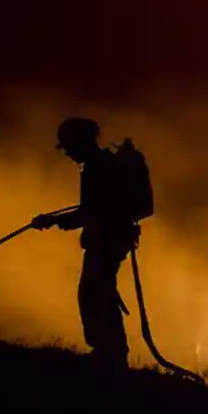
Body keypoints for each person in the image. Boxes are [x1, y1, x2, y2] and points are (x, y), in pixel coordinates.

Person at [30, 117, 151, 371]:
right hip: (112, 239)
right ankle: (110, 352)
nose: (69, 154)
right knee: (99, 291)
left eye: (69, 147)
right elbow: (92, 210)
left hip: (108, 240)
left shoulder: (97, 168)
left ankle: (110, 354)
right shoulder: (99, 166)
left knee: (96, 292)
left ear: (80, 142)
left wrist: (53, 221)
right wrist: (55, 220)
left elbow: (90, 213)